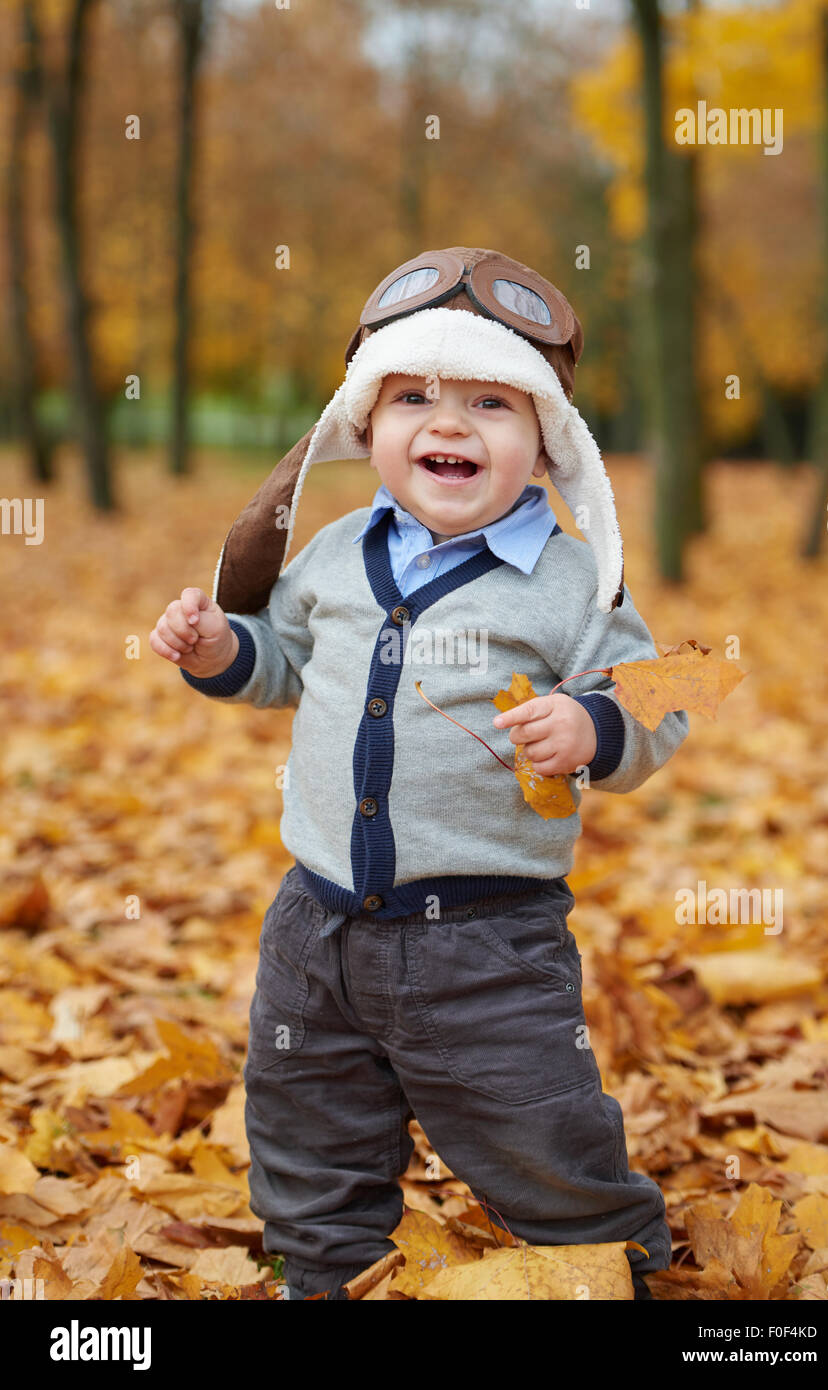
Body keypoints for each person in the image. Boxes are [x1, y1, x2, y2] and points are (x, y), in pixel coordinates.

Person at [149, 247, 689, 1302]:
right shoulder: (344, 552)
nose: (448, 425)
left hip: (487, 942)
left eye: (491, 399)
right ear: (365, 425)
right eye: (413, 398)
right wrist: (221, 651)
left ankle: (621, 1264)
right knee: (306, 1118)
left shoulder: (576, 582)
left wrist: (590, 723)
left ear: (546, 441)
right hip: (316, 927)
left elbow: (658, 699)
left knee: (540, 1126)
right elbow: (288, 664)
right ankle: (328, 1267)